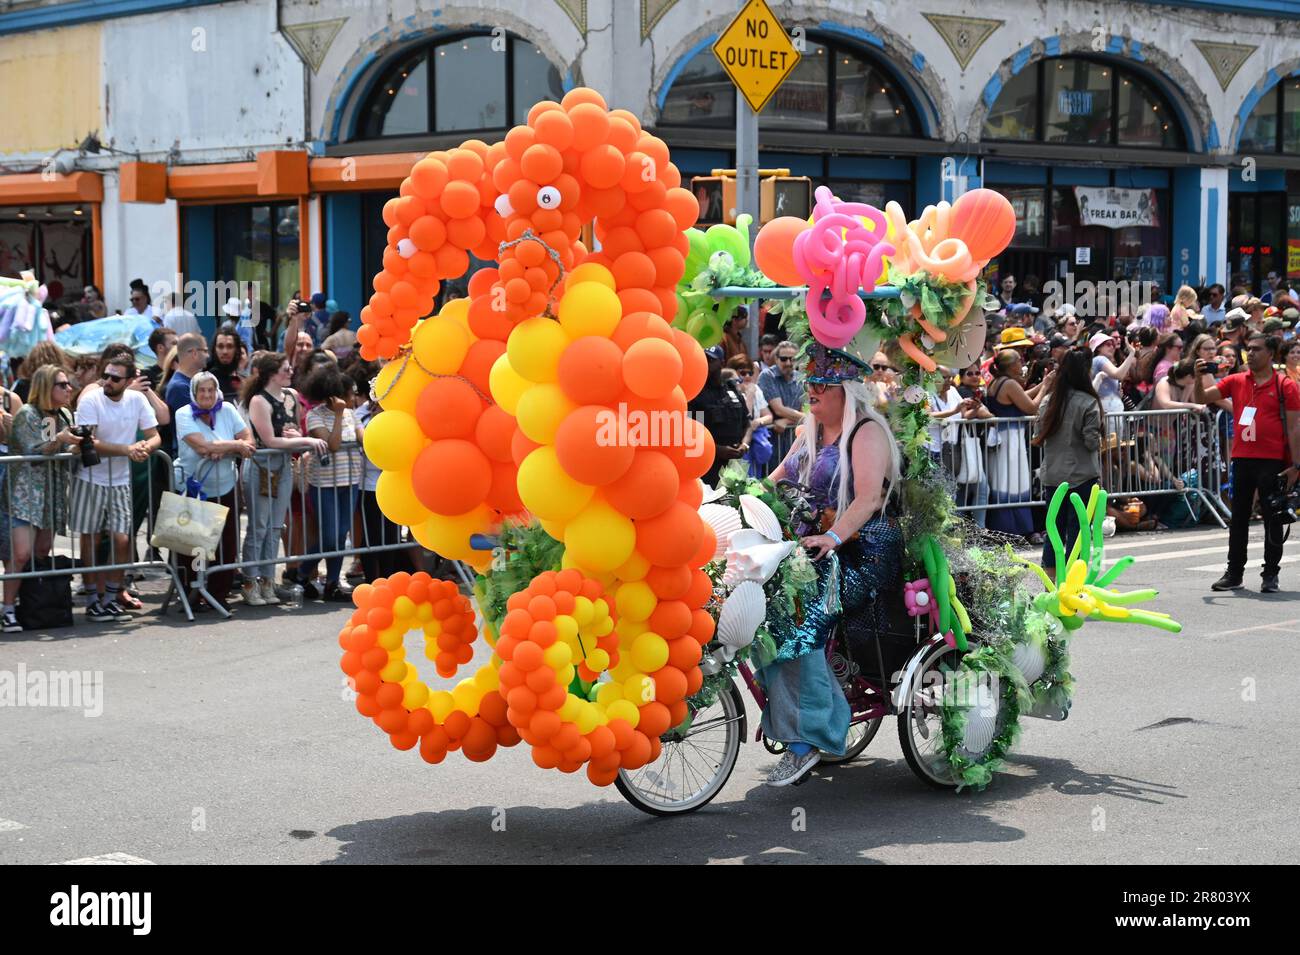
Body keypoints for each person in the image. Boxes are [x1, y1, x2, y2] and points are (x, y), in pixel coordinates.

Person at [762, 345, 901, 786]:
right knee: (758, 607)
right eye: (809, 382)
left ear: (845, 391)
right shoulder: (809, 432)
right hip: (813, 546)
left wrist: (834, 536)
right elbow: (776, 479)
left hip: (864, 547)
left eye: (822, 384)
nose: (812, 391)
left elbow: (868, 499)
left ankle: (809, 739)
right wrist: (733, 498)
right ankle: (801, 714)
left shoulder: (866, 433)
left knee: (798, 620)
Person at [1195, 332, 1300, 593]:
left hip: (1273, 462)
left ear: (1271, 354)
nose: (1250, 353)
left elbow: (1295, 427)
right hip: (1242, 460)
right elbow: (1202, 397)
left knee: (1272, 519)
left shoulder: (1285, 385)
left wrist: (1296, 466)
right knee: (1239, 518)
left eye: (1257, 349)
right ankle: (1234, 573)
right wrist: (1199, 376)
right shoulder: (1237, 380)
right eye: (1249, 349)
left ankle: (1270, 574)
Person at [71, 353, 161, 620]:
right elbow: (88, 441)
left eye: (115, 377)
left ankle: (111, 596)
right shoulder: (91, 399)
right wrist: (127, 449)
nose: (107, 381)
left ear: (129, 380)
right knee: (92, 536)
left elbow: (155, 435)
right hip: (91, 478)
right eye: (106, 375)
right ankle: (91, 597)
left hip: (120, 480)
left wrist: (146, 447)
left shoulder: (136, 400)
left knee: (122, 538)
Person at [240, 353, 327, 606]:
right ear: (270, 373)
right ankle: (250, 582)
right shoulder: (258, 400)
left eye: (289, 369)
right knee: (258, 527)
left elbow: (292, 430)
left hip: (283, 466)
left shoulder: (290, 396)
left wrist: (297, 434)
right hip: (261, 466)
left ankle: (268, 582)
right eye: (285, 369)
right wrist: (305, 440)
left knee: (275, 527)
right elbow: (269, 440)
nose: (289, 372)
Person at [1, 364, 80, 631]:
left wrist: (78, 445)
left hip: (52, 494)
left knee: (40, 554)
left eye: (68, 383)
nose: (69, 388)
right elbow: (34, 450)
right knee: (21, 554)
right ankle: (7, 608)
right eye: (62, 384)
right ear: (47, 386)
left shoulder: (64, 414)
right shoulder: (27, 414)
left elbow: (63, 449)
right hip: (24, 496)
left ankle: (30, 604)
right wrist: (60, 440)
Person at [174, 371, 254, 612]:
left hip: (225, 485)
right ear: (194, 393)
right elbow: (202, 446)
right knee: (192, 544)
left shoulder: (227, 409)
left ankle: (219, 594)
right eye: (202, 391)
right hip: (193, 486)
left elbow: (249, 440)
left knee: (226, 543)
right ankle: (191, 593)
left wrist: (230, 447)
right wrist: (235, 446)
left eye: (211, 390)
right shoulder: (183, 413)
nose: (207, 395)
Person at [289, 365, 364, 601]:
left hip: (350, 481)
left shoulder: (353, 415)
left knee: (341, 536)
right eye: (349, 393)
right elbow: (332, 444)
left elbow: (364, 439)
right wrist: (339, 415)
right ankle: (301, 572)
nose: (353, 397)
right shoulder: (315, 415)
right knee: (330, 537)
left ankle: (332, 582)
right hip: (325, 484)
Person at [1034, 348, 1103, 577]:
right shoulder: (1089, 402)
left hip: (1053, 475)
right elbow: (1091, 441)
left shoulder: (1048, 401)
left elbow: (1038, 432)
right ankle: (1074, 586)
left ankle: (1050, 586)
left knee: (1053, 531)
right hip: (1082, 476)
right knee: (1079, 531)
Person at [984, 346, 1054, 542]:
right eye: (1019, 362)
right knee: (1013, 482)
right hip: (1010, 440)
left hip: (1005, 439)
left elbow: (1022, 397)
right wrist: (1046, 387)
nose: (1022, 365)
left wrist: (1042, 384)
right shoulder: (1009, 384)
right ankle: (1014, 529)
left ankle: (1011, 529)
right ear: (1012, 365)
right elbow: (1031, 407)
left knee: (1007, 482)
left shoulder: (998, 382)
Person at [689, 347, 751, 486]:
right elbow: (692, 435)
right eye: (703, 359)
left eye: (711, 360)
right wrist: (718, 450)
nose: (706, 363)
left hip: (735, 463)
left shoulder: (732, 389)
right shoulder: (696, 394)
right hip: (708, 467)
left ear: (722, 362)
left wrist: (744, 444)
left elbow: (747, 424)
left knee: (735, 502)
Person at [758, 341, 805, 475]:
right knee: (770, 483)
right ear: (776, 359)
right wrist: (808, 419)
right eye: (784, 359)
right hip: (771, 441)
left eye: (793, 359)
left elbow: (802, 410)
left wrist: (786, 421)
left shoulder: (800, 378)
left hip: (793, 440)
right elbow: (779, 409)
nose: (789, 363)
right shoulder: (767, 376)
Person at [162, 333, 210, 457]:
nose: (208, 355)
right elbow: (199, 423)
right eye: (205, 351)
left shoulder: (193, 383)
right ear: (194, 353)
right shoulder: (179, 387)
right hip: (190, 460)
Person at [1090, 330, 1135, 415]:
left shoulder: (1097, 360)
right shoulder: (1100, 359)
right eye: (1108, 345)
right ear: (1098, 347)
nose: (1112, 347)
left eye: (1113, 345)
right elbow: (1119, 375)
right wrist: (1131, 353)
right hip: (1107, 409)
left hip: (1110, 409)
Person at [209, 324, 247, 402]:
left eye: (229, 346)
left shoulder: (243, 380)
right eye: (220, 346)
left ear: (236, 350)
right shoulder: (207, 379)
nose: (225, 352)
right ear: (214, 349)